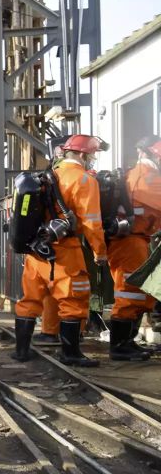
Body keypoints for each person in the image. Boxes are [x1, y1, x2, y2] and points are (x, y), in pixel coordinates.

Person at [13, 135, 108, 369]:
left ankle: (21, 351)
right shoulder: (84, 180)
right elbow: (92, 222)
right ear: (84, 155)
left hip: (37, 251)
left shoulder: (46, 176)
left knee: (30, 300)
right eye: (93, 155)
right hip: (66, 251)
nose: (93, 159)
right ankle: (71, 354)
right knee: (74, 300)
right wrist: (100, 251)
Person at [107, 137, 161, 361]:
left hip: (138, 240)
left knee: (139, 295)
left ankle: (127, 342)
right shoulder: (146, 176)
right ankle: (119, 347)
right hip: (131, 242)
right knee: (129, 293)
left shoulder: (138, 175)